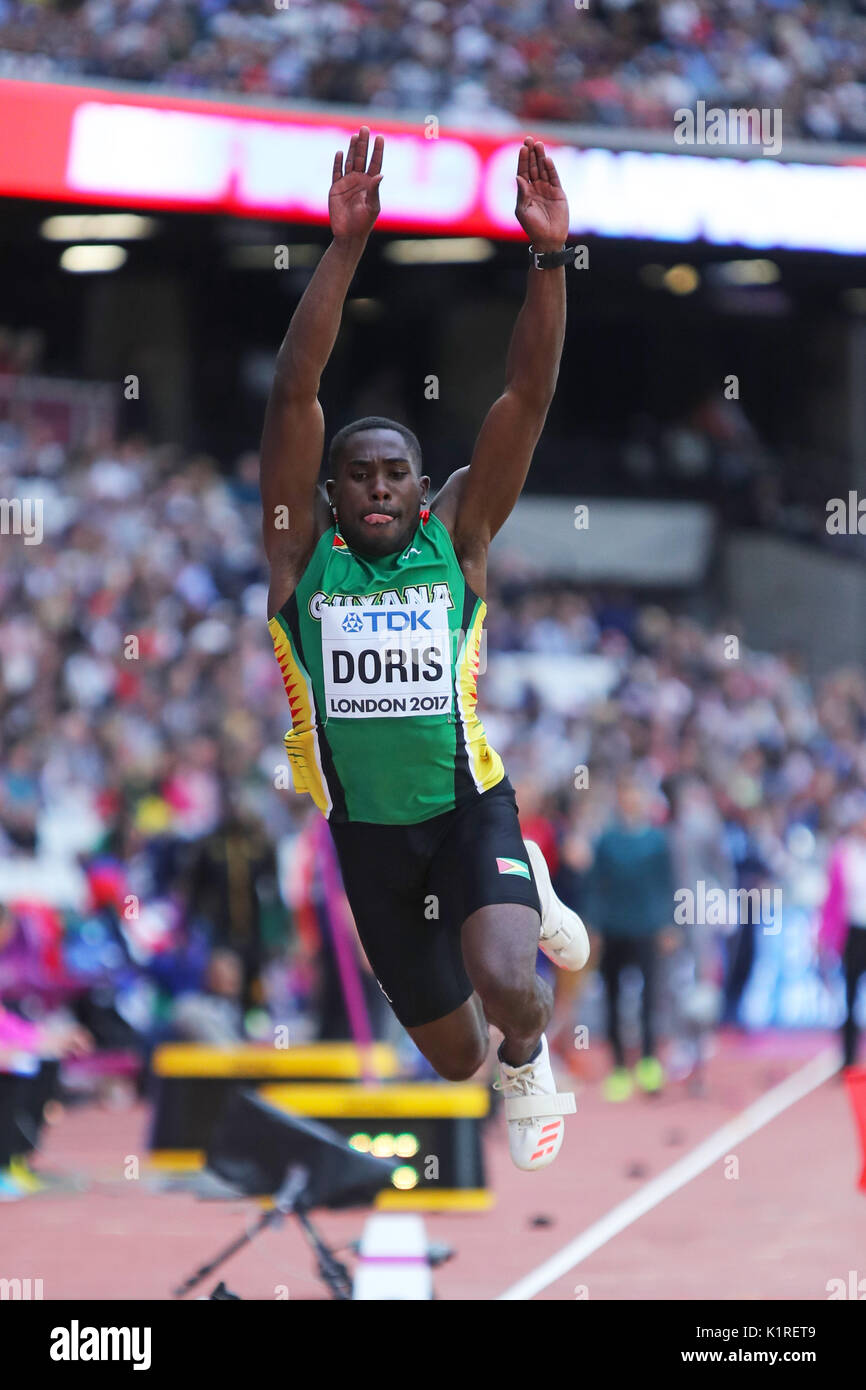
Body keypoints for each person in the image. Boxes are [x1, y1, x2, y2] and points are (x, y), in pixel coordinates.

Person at [260, 126, 589, 1171]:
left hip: (463, 806)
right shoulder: (297, 560)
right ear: (330, 493)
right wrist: (345, 248)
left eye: (395, 472)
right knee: (448, 1057)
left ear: (418, 483)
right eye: (357, 475)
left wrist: (545, 261)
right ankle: (516, 936)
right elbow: (292, 397)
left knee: (507, 989)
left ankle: (529, 1054)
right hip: (363, 835)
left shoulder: (460, 541)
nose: (377, 488)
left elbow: (524, 400)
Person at [584, 776, 676, 1101]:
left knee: (649, 1000)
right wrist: (592, 926)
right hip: (612, 929)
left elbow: (667, 884)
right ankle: (619, 1068)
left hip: (648, 929)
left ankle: (649, 1063)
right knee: (612, 1000)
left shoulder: (657, 840)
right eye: (626, 793)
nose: (630, 799)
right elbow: (594, 886)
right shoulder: (606, 841)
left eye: (635, 793)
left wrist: (668, 924)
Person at [819, 796, 866, 1068]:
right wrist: (825, 934)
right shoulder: (844, 855)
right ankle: (848, 1057)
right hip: (854, 933)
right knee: (849, 995)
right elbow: (833, 899)